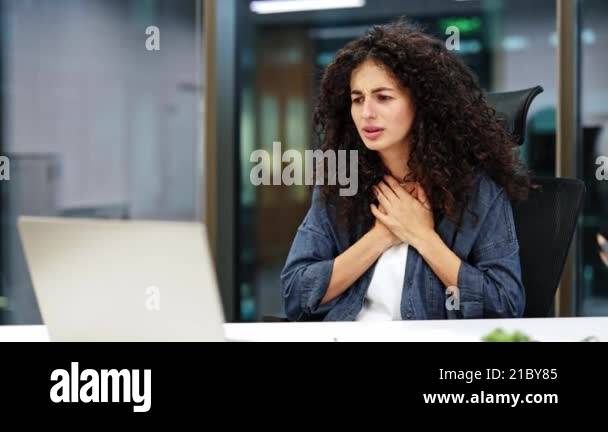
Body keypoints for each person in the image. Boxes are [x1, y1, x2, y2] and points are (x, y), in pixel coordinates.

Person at [280, 21, 528, 321]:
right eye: (358, 99)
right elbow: (295, 294)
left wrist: (422, 236)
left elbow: (505, 305)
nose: (367, 113)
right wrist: (382, 236)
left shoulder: (477, 191)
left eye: (383, 97)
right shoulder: (341, 182)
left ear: (421, 104)